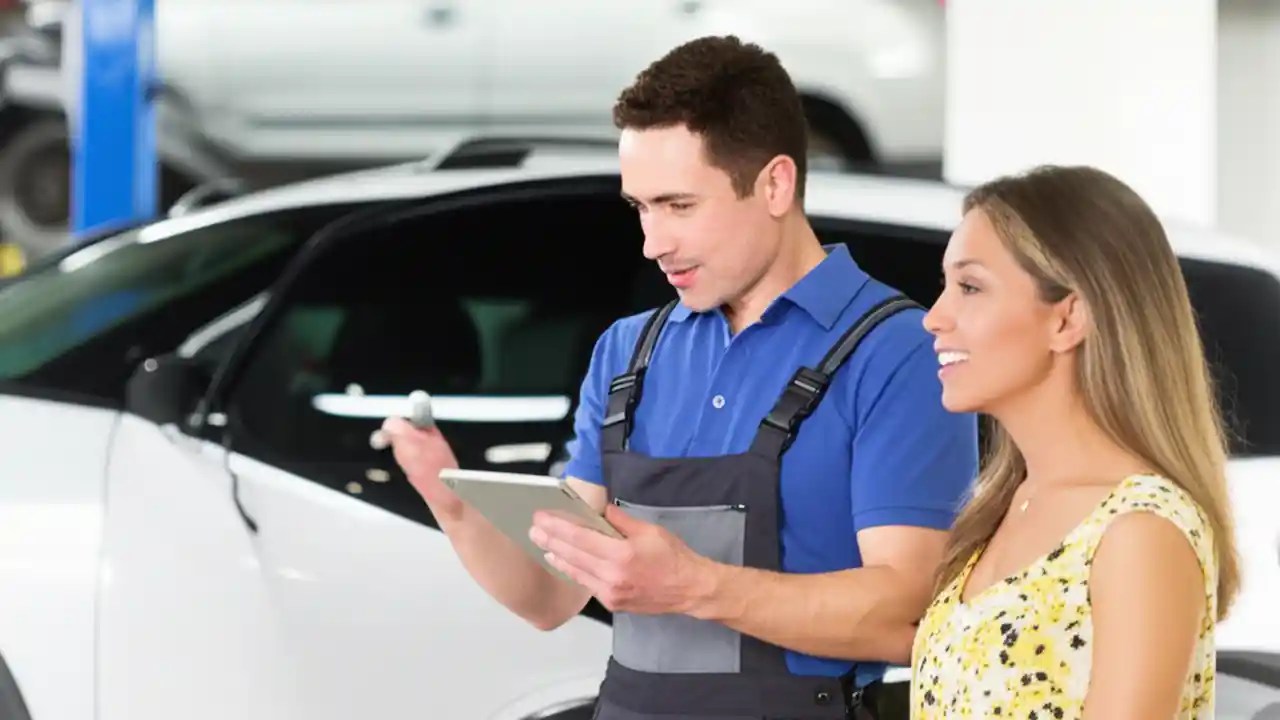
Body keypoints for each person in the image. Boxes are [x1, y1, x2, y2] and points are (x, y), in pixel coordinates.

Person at [382, 35, 978, 720]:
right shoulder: (627, 354)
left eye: (679, 206)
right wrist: (453, 505)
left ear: (775, 184)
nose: (651, 242)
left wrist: (694, 585)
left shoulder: (895, 352)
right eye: (640, 207)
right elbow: (551, 599)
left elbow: (910, 603)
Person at [910, 165, 1241, 719]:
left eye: (969, 287)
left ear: (1068, 319)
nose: (934, 318)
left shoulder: (1140, 530)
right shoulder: (1003, 505)